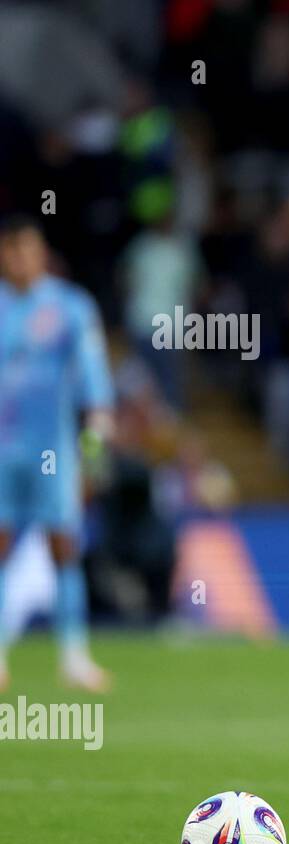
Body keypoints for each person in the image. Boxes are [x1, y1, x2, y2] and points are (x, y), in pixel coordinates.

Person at [0, 214, 115, 692]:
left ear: (41, 252)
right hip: (2, 453)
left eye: (26, 249)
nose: (18, 259)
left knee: (64, 548)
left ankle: (73, 656)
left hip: (54, 452)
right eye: (9, 250)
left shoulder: (70, 307)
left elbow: (95, 392)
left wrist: (92, 454)